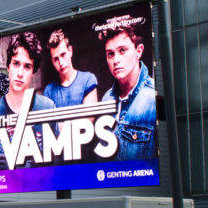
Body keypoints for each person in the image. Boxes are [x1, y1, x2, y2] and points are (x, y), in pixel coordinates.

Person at [0, 32, 56, 171]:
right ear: (8, 66)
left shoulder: (47, 108)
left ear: (33, 71)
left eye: (27, 66)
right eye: (16, 63)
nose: (20, 73)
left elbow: (57, 164)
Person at [98, 18, 157, 162]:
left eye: (122, 50)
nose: (116, 60)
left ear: (139, 51)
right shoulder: (106, 99)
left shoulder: (155, 96)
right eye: (110, 54)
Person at [42, 29, 98, 108]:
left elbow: (88, 118)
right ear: (52, 62)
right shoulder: (49, 91)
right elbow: (47, 120)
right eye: (56, 59)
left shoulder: (88, 80)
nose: (61, 63)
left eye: (63, 54)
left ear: (70, 51)